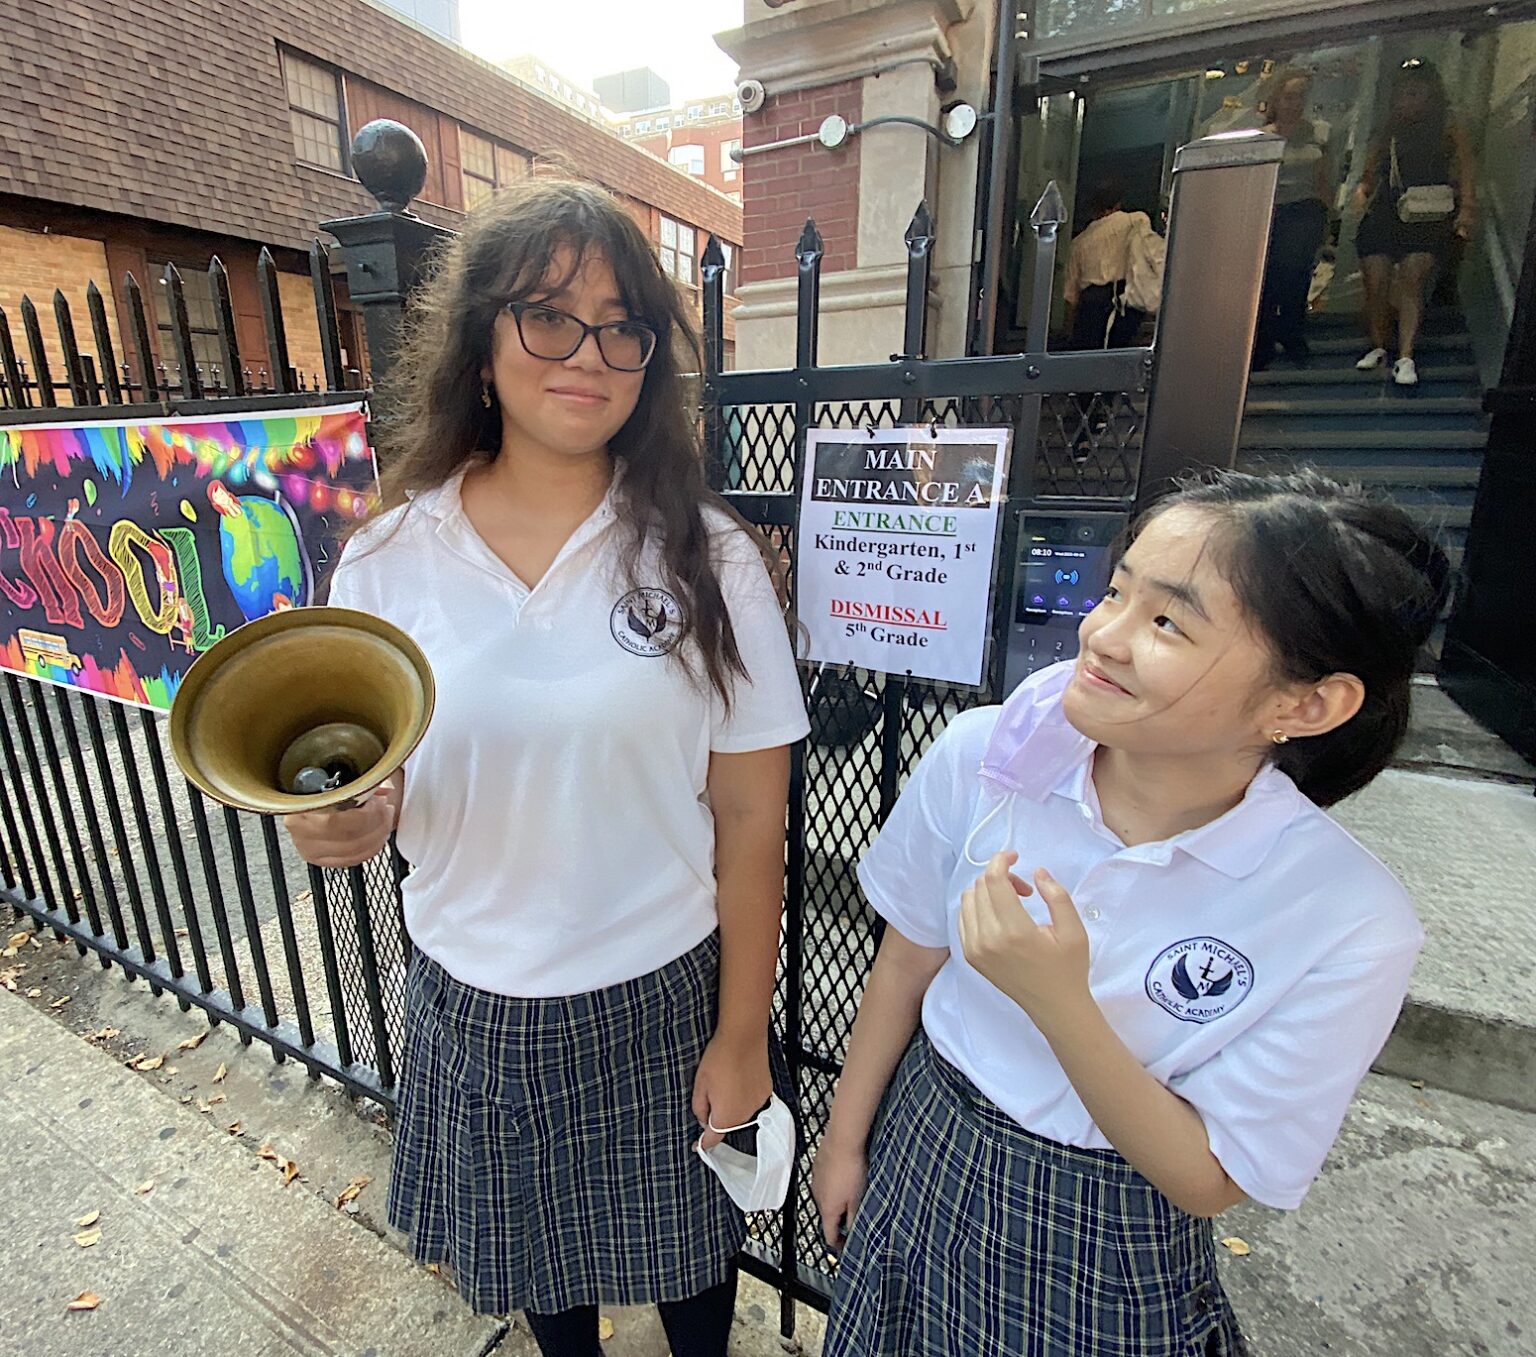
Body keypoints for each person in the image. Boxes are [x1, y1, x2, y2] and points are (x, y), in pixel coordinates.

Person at [283, 179, 809, 1357]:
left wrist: (742, 1035)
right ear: (483, 344)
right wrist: (337, 823)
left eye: (622, 324)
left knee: (687, 1273)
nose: (590, 352)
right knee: (547, 1283)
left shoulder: (705, 553)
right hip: (474, 997)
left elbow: (753, 818)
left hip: (660, 993)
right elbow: (368, 776)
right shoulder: (390, 555)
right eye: (549, 315)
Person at [812, 469, 1448, 1356]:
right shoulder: (990, 757)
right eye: (1118, 590)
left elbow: (1209, 1178)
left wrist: (1060, 1001)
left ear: (1303, 703)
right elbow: (908, 955)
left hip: (1109, 1221)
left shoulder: (1347, 916)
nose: (1099, 634)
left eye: (1166, 621)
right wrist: (844, 1141)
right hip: (928, 1131)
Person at [1353, 60, 1476, 386]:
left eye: (1416, 92)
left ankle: (1405, 356)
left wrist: (1467, 210)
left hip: (1428, 211)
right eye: (1403, 93)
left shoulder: (1447, 125)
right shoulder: (1389, 126)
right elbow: (1372, 165)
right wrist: (1363, 189)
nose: (1408, 100)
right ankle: (1379, 345)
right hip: (1387, 209)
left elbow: (1466, 167)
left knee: (1412, 276)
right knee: (1376, 279)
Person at [1252, 69, 1336, 369]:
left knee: (1298, 274)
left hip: (1306, 210)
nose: (1294, 103)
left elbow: (1324, 177)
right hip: (1272, 212)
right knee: (1269, 277)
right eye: (1289, 96)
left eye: (1300, 96)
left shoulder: (1318, 133)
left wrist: (1329, 216)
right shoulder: (1263, 138)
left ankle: (1292, 335)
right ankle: (1263, 341)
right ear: (1277, 98)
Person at [1063, 181, 1152, 351]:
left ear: (1091, 209)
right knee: (1121, 354)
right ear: (1118, 203)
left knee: (1088, 356)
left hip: (1090, 303)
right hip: (1127, 299)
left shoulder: (1079, 242)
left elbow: (1071, 297)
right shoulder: (1137, 220)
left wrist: (1069, 334)